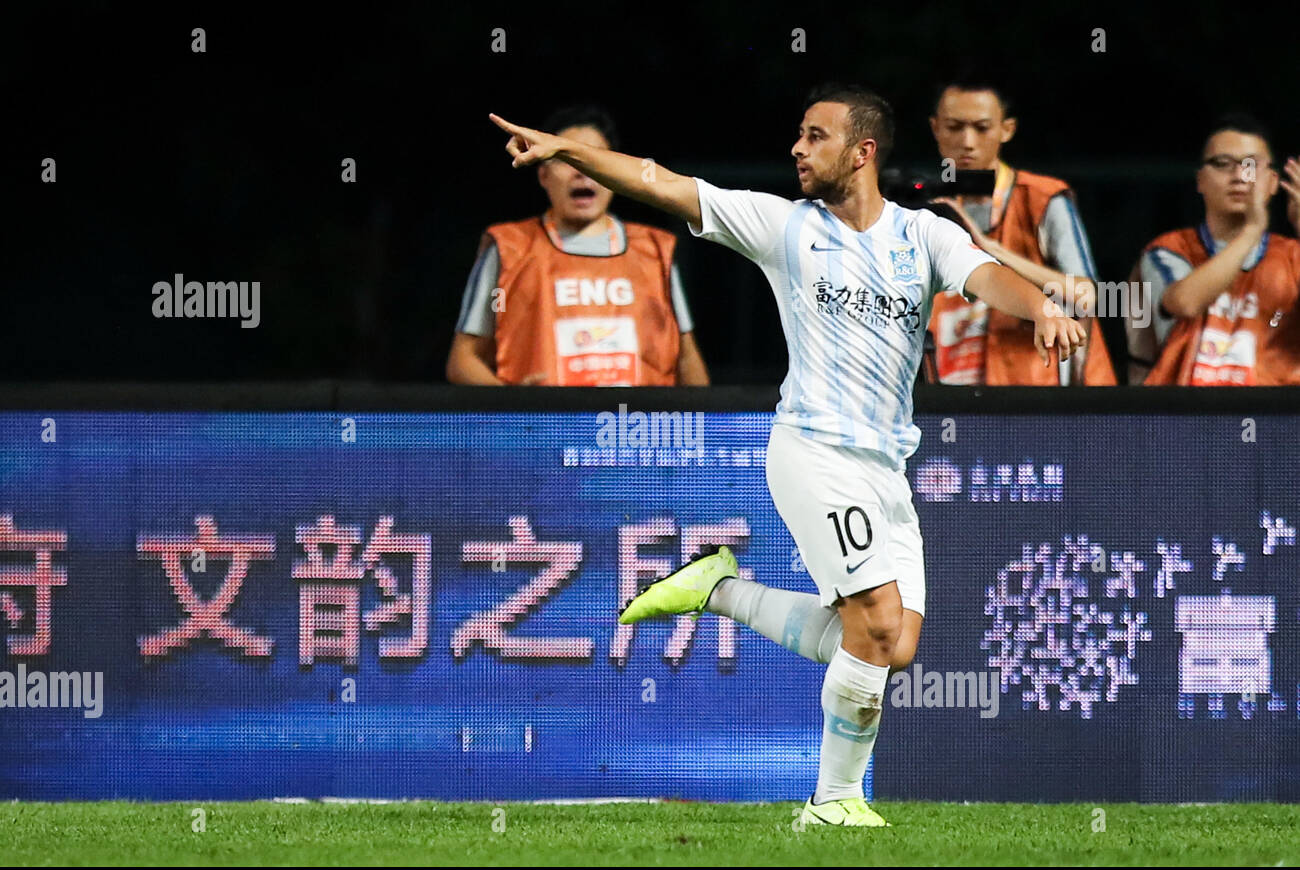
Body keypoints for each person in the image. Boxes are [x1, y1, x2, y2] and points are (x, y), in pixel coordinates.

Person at [489, 83, 1086, 826]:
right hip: (813, 451)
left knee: (891, 645)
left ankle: (719, 590)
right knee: (875, 616)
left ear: (863, 151)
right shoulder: (783, 226)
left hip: (885, 467)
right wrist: (569, 149)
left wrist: (1045, 306)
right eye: (798, 136)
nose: (798, 149)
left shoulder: (921, 235)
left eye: (816, 136)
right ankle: (833, 804)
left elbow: (985, 276)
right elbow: (656, 180)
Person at [448, 105, 710, 386]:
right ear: (543, 176)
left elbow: (686, 360)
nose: (581, 172)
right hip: (542, 429)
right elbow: (464, 360)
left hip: (632, 428)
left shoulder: (656, 250)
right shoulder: (509, 248)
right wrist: (515, 407)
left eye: (593, 159)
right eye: (565, 159)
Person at [925, 77, 1116, 385]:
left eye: (982, 128)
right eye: (954, 127)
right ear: (935, 129)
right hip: (951, 393)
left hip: (1033, 398)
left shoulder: (1042, 198)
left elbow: (1090, 296)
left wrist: (994, 250)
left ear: (1007, 129)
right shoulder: (925, 207)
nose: (968, 141)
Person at [1128, 115, 1300, 385]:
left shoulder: (1294, 257)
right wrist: (1252, 230)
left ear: (1274, 182)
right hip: (1186, 419)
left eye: (1251, 165)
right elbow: (1185, 302)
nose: (1239, 176)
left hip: (1277, 421)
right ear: (1200, 181)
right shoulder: (1167, 251)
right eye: (1222, 164)